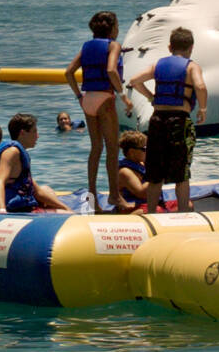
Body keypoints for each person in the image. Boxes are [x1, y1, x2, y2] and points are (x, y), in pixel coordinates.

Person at [129, 27, 206, 214]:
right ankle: (182, 213)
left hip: (157, 120)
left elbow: (134, 80)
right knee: (182, 173)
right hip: (179, 121)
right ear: (191, 48)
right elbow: (200, 86)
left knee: (154, 174)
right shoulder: (191, 66)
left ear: (170, 47)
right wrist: (203, 108)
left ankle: (153, 214)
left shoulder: (158, 65)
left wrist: (150, 96)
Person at [65, 11, 133, 211]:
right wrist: (122, 96)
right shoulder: (113, 45)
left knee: (96, 148)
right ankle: (115, 197)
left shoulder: (86, 46)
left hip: (88, 99)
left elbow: (69, 72)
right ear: (112, 28)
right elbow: (112, 70)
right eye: (117, 25)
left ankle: (92, 197)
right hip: (104, 98)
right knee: (112, 149)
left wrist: (79, 97)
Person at [0, 114, 71, 214]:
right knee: (65, 214)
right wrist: (1, 210)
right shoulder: (12, 152)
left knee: (47, 189)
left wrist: (65, 207)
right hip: (12, 209)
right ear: (23, 133)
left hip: (16, 204)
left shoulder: (19, 153)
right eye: (34, 131)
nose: (37, 136)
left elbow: (38, 192)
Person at [115, 130, 150, 213]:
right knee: (153, 210)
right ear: (132, 152)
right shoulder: (125, 172)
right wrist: (157, 174)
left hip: (148, 203)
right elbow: (142, 194)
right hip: (133, 207)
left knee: (186, 203)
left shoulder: (142, 164)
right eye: (144, 149)